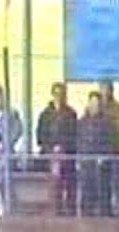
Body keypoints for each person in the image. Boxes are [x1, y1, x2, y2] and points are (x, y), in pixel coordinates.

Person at [37, 83, 78, 216]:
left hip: (67, 153)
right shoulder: (45, 114)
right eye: (56, 94)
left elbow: (74, 132)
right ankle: (55, 208)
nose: (59, 97)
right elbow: (40, 133)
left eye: (62, 94)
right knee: (54, 183)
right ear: (52, 94)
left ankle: (70, 209)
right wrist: (49, 148)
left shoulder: (71, 113)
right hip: (51, 154)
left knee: (69, 182)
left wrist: (64, 146)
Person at [77, 92, 113, 217]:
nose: (94, 106)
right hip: (85, 160)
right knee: (86, 189)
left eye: (97, 103)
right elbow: (78, 139)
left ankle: (104, 213)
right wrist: (79, 157)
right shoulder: (82, 121)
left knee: (103, 189)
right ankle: (86, 213)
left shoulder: (106, 122)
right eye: (92, 103)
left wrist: (104, 155)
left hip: (100, 162)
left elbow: (109, 141)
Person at [99, 80, 119, 214]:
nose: (104, 92)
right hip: (99, 150)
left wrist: (117, 148)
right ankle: (104, 207)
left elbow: (118, 130)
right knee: (101, 181)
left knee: (117, 180)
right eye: (102, 89)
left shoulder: (117, 108)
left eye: (107, 89)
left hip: (114, 150)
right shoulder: (96, 107)